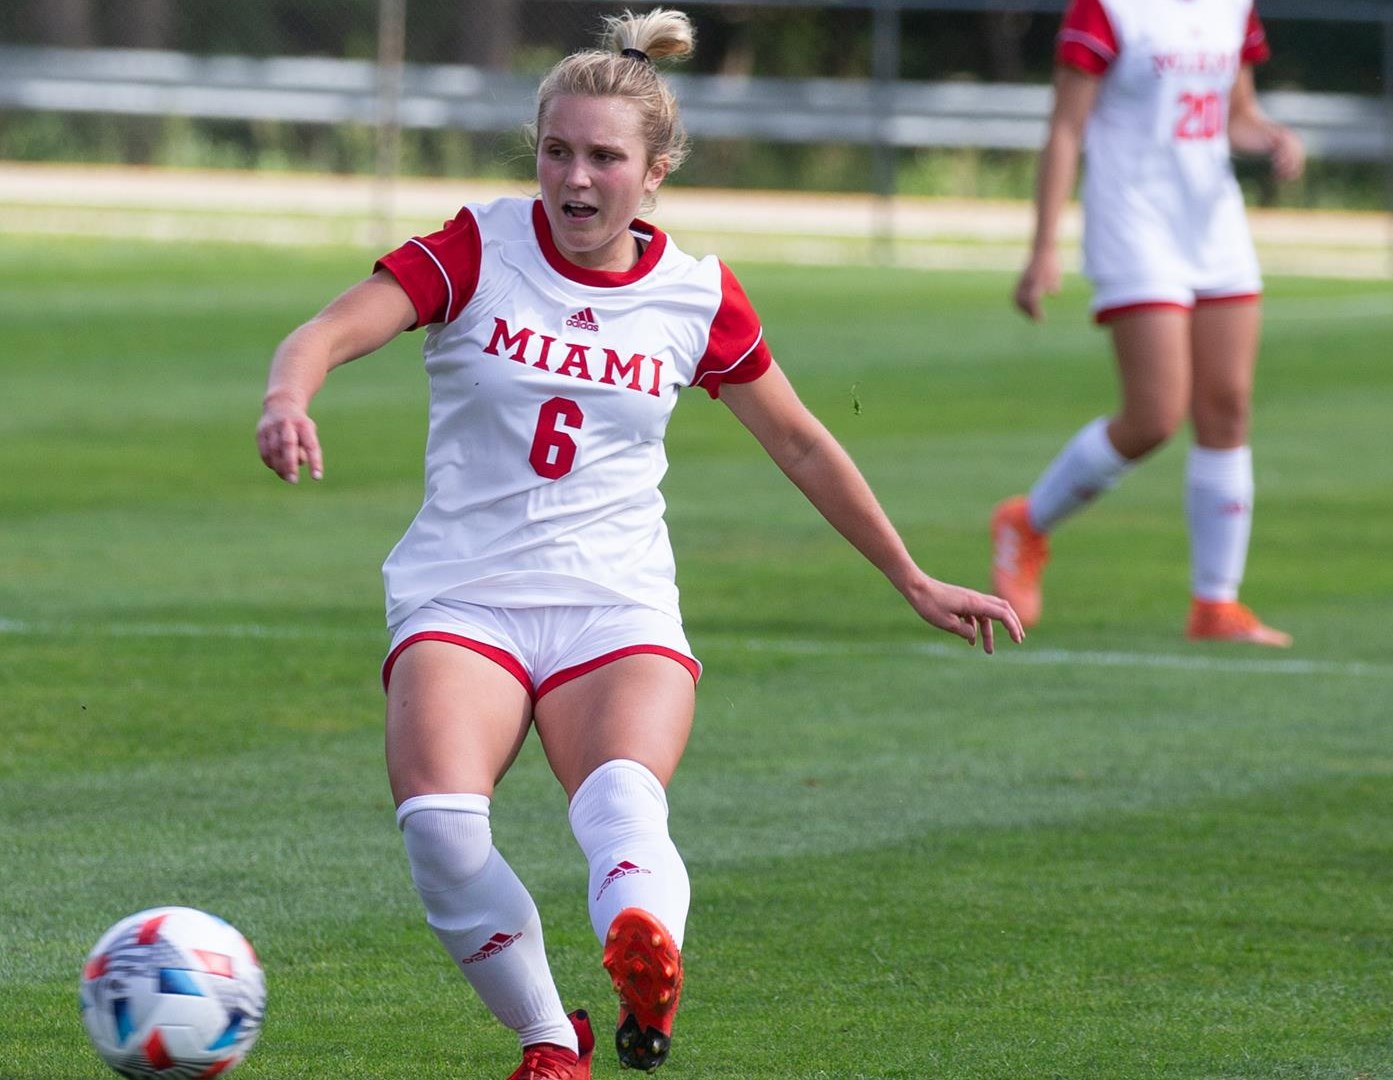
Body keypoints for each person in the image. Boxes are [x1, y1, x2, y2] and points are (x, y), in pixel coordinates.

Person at [257, 9, 1023, 1077]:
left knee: (620, 796)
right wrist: (288, 397)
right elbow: (328, 331)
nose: (574, 178)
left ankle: (643, 962)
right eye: (556, 152)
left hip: (613, 605)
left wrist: (910, 575)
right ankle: (549, 1040)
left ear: (653, 172)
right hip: (463, 596)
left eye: (603, 157)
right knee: (438, 826)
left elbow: (800, 444)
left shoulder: (694, 295)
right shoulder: (479, 246)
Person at [996, 0, 1304, 646]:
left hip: (1212, 223)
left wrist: (1271, 136)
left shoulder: (1230, 7)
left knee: (1228, 405)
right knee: (1153, 418)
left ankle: (1214, 606)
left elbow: (1235, 116)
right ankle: (1026, 522)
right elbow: (1064, 129)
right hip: (1133, 223)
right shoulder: (1107, 8)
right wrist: (1043, 247)